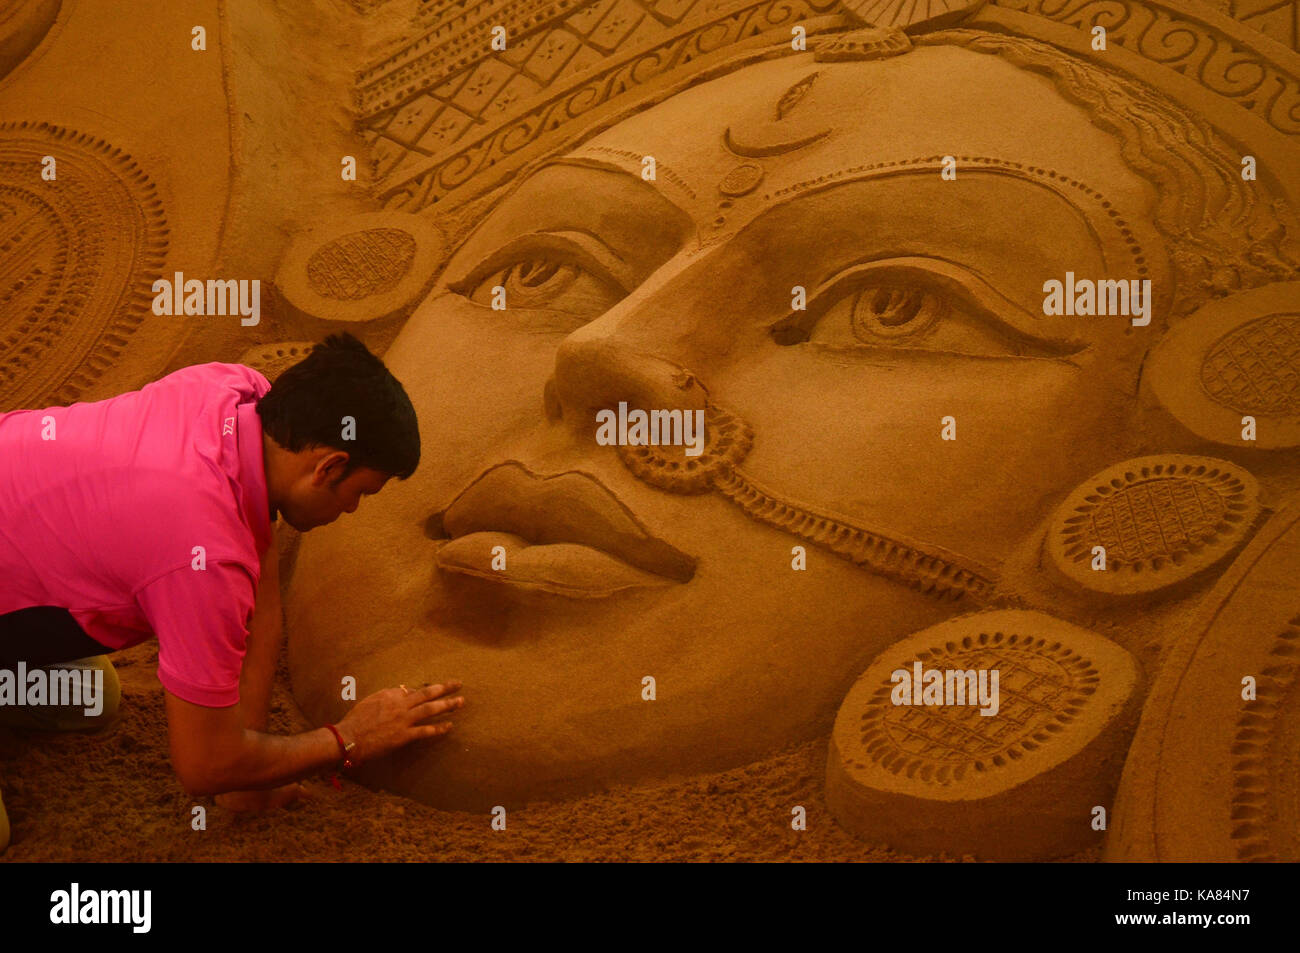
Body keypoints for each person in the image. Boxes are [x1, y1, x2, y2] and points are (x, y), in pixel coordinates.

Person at [0, 332, 464, 853]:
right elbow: (204, 766)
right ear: (329, 467)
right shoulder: (201, 553)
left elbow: (259, 567)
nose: (353, 510)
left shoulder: (236, 393)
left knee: (87, 698)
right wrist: (351, 738)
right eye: (360, 493)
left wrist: (248, 775)